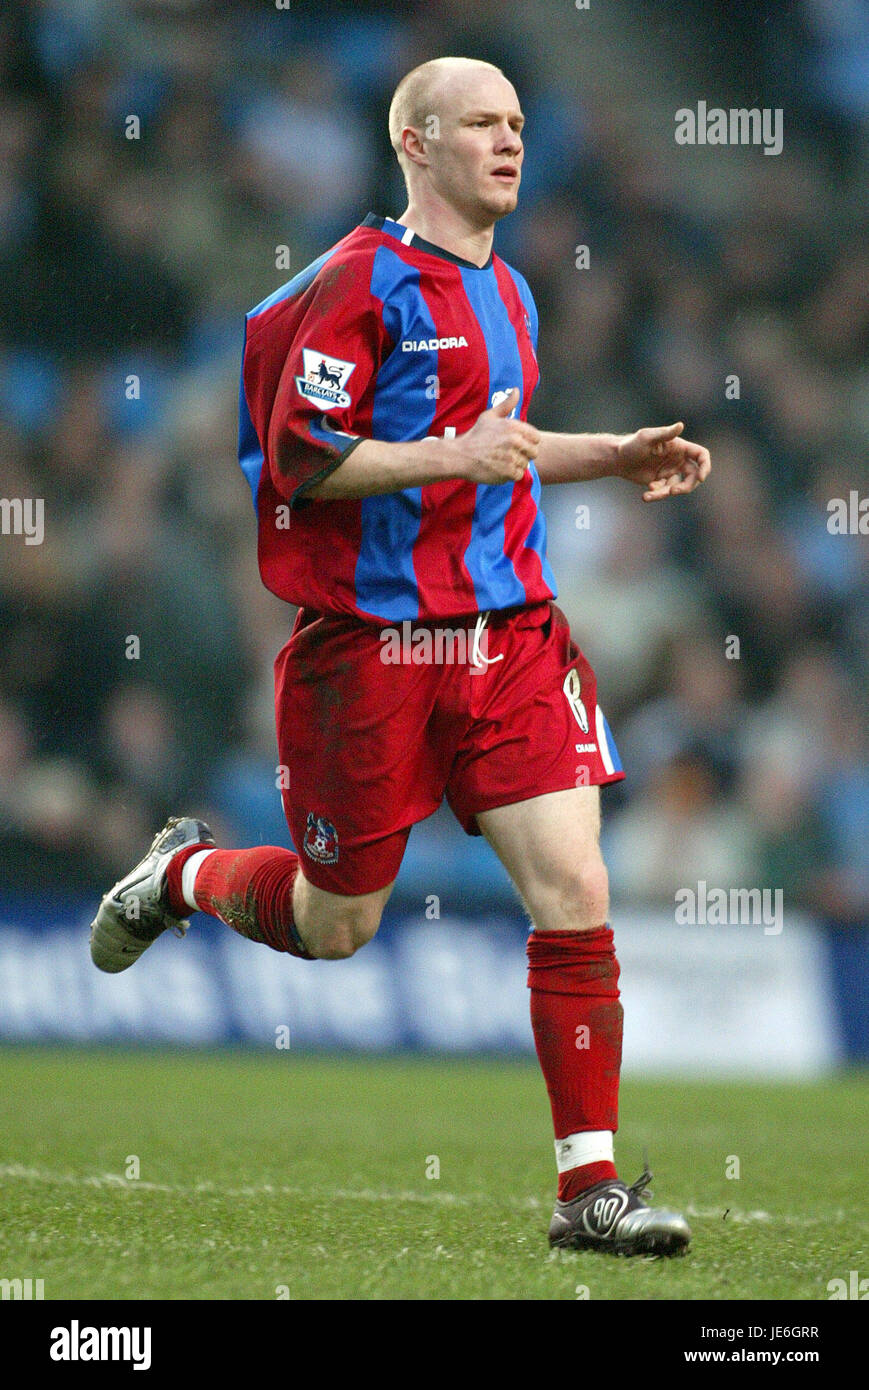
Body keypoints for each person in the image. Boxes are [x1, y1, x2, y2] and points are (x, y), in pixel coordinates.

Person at [90, 56, 710, 1256]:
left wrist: (610, 454)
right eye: (481, 122)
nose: (509, 140)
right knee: (337, 926)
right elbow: (301, 460)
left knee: (575, 889)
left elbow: (501, 447)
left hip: (511, 636)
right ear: (415, 145)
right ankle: (182, 876)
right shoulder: (355, 285)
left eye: (519, 122)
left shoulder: (516, 293)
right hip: (370, 650)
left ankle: (587, 1192)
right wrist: (446, 458)